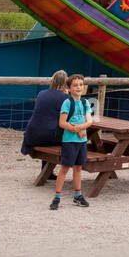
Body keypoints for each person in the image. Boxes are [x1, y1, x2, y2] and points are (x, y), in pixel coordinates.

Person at [51, 75, 92, 209]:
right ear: (69, 88)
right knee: (64, 168)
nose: (79, 87)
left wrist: (79, 128)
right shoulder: (67, 103)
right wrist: (77, 130)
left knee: (78, 167)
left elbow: (89, 121)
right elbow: (62, 123)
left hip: (82, 141)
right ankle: (57, 197)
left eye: (81, 84)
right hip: (69, 141)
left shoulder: (85, 103)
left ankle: (77, 195)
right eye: (75, 85)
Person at [20, 70, 70, 158]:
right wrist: (67, 95)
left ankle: (46, 170)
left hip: (31, 136)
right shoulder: (65, 98)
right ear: (66, 84)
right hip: (47, 138)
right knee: (70, 137)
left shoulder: (41, 94)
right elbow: (70, 117)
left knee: (51, 128)